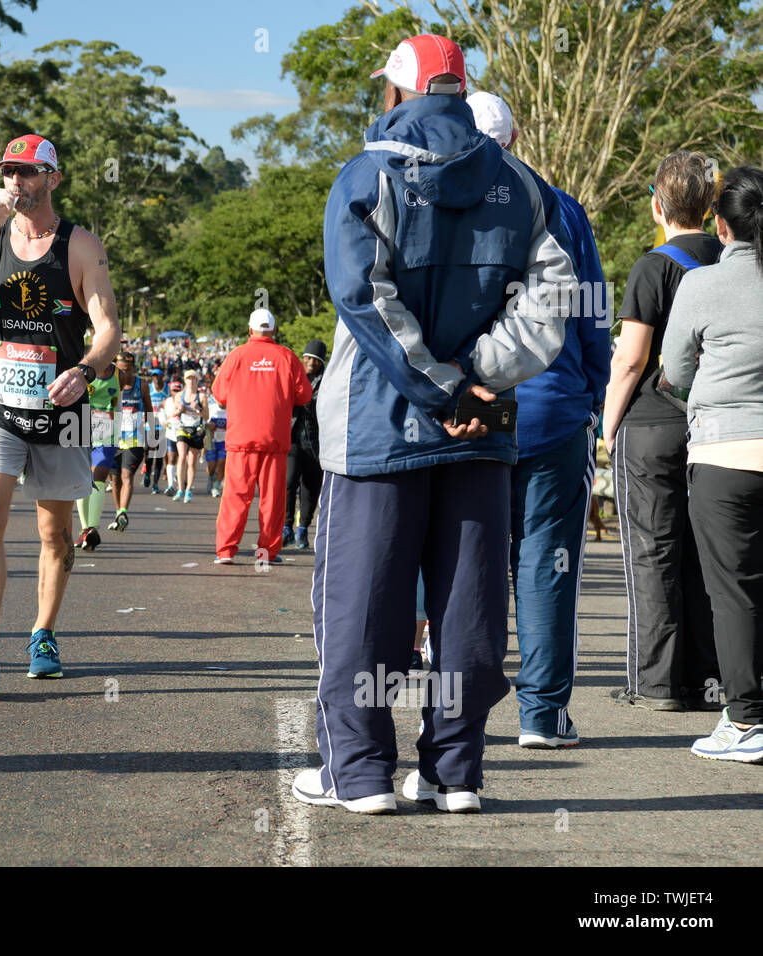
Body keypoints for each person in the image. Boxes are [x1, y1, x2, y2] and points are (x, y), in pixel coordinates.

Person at [298, 34, 579, 814]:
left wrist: (441, 388)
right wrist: (478, 381)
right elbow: (551, 300)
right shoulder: (521, 185)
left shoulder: (365, 176)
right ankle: (454, 772)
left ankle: (357, 775)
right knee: (470, 606)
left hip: (377, 427)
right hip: (483, 431)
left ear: (395, 94)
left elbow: (365, 298)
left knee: (363, 604)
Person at [0, 132, 119, 697]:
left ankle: (43, 633)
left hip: (66, 404)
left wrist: (84, 369)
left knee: (56, 531)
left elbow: (109, 329)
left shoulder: (81, 246)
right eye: (9, 172)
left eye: (28, 173)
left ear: (53, 179)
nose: (16, 182)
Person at [466, 92, 612, 749]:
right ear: (516, 135)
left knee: (465, 561)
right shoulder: (561, 206)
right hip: (553, 406)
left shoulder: (437, 201)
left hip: (476, 403)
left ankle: (450, 715)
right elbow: (592, 309)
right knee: (547, 565)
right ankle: (542, 715)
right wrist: (596, 390)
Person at [603, 151, 720, 711]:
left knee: (652, 553)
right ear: (711, 205)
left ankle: (655, 683)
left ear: (657, 204)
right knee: (703, 552)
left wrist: (608, 422)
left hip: (651, 424)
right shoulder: (730, 262)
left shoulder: (654, 266)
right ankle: (706, 677)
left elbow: (631, 359)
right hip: (714, 425)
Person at [663, 165, 763, 762]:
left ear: (719, 225)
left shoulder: (700, 286)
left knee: (734, 593)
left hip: (724, 454)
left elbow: (674, 371)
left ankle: (746, 719)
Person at [211, 309, 312, 565]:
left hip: (241, 438)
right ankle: (266, 552)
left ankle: (225, 551)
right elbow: (304, 395)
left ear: (249, 330)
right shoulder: (286, 357)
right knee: (273, 499)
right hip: (274, 439)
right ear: (274, 331)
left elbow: (219, 393)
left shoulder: (237, 355)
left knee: (235, 496)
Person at [284, 338, 326, 547]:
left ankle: (303, 529)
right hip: (291, 439)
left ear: (322, 362)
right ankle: (286, 527)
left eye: (316, 359)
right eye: (308, 358)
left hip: (317, 443)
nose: (311, 362)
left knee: (310, 488)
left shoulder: (328, 380)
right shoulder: (293, 376)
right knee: (288, 483)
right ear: (303, 358)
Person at [108, 350, 152, 531]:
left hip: (134, 441)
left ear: (133, 369)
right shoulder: (110, 384)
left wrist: (152, 436)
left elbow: (149, 410)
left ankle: (123, 510)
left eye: (127, 370)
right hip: (112, 440)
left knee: (127, 475)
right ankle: (119, 513)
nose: (123, 374)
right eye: (120, 370)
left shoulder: (141, 385)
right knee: (115, 479)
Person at [77, 361, 118, 550]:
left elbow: (138, 398)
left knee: (98, 476)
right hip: (78, 429)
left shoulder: (120, 373)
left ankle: (93, 527)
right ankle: (85, 529)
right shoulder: (81, 369)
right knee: (81, 479)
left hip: (107, 434)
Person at [164, 368, 206, 502]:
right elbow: (173, 414)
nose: (190, 381)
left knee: (192, 461)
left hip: (196, 430)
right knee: (181, 457)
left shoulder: (202, 396)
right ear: (185, 380)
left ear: (196, 380)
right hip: (182, 428)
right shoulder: (179, 395)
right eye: (188, 378)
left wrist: (198, 409)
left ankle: (188, 490)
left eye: (193, 378)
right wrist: (179, 410)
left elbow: (207, 416)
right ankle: (180, 489)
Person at [146, 368, 169, 493]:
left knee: (159, 456)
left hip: (162, 426)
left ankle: (155, 484)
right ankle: (148, 473)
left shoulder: (167, 390)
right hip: (149, 424)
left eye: (158, 376)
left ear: (162, 377)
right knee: (148, 452)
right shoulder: (148, 388)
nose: (156, 378)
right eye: (154, 376)